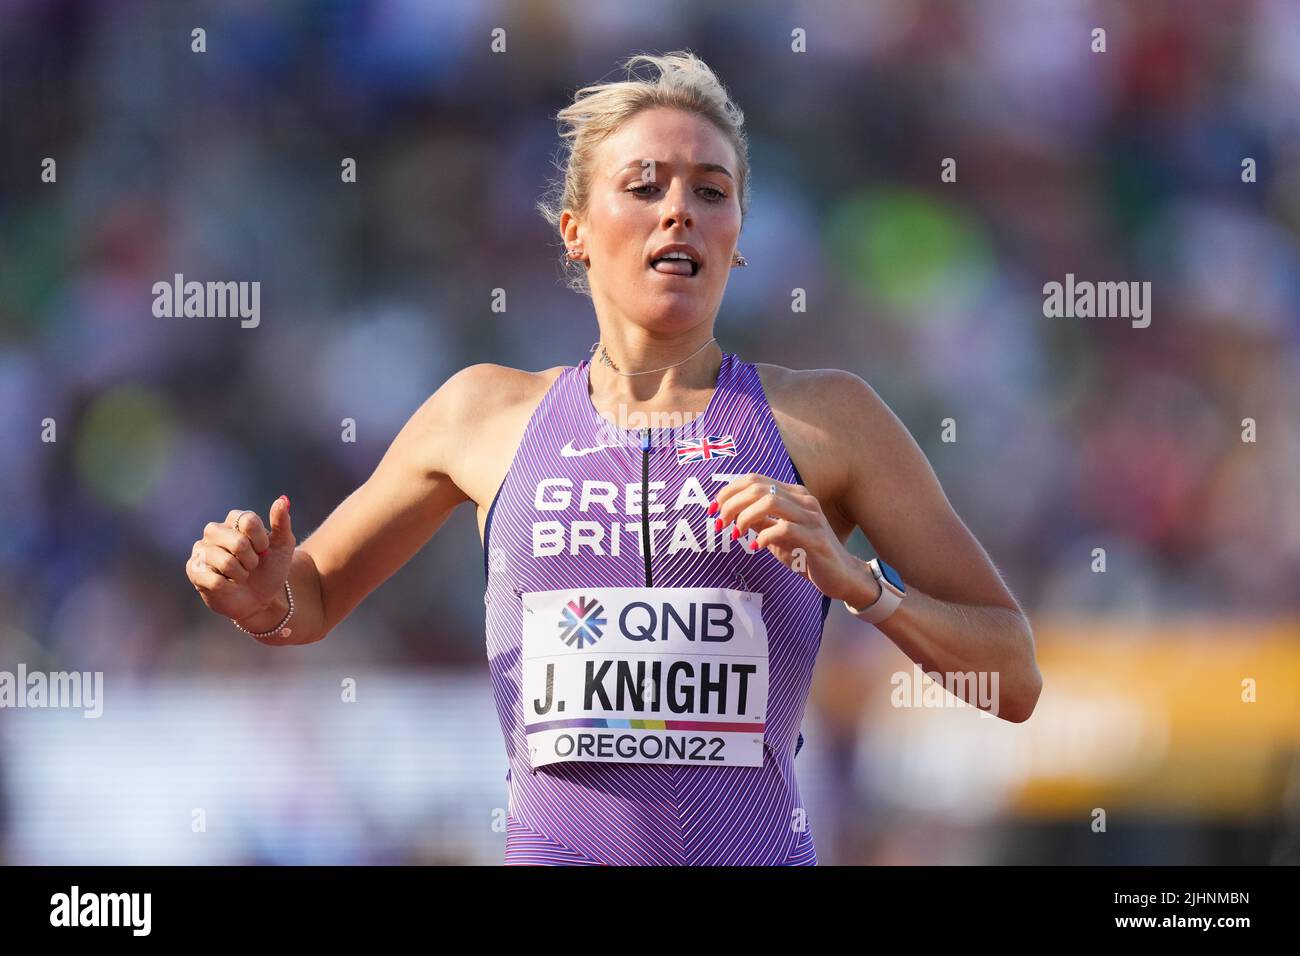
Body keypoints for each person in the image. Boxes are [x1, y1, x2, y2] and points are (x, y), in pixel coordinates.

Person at [186, 51, 1041, 866]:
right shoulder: (481, 413)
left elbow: (1013, 682)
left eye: (712, 192)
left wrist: (860, 584)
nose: (680, 211)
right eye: (643, 187)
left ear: (737, 238)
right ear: (576, 232)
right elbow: (314, 598)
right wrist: (260, 599)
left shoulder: (828, 420)